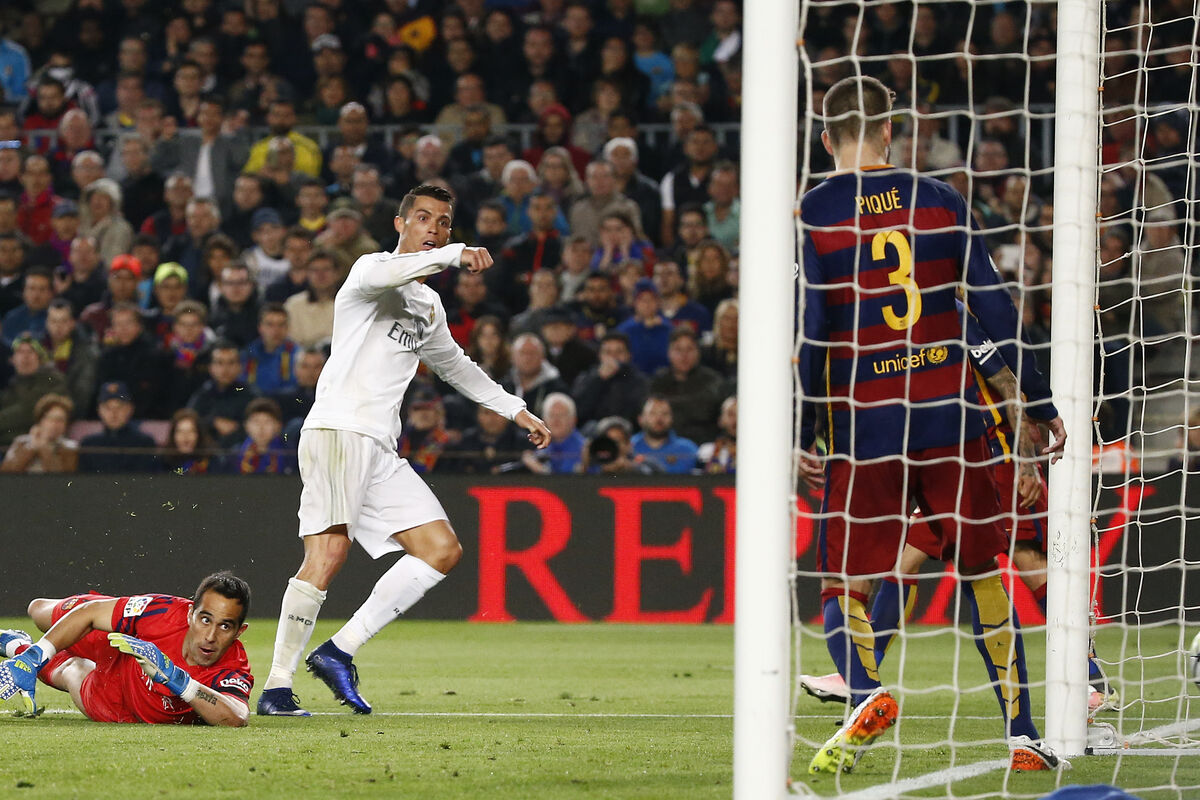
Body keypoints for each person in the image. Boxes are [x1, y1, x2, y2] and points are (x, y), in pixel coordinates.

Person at [797, 76, 1067, 774]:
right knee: (982, 572)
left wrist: (805, 429)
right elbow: (995, 308)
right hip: (953, 418)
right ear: (890, 131)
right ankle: (1023, 736)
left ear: (826, 139)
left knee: (844, 581)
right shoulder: (942, 199)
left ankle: (865, 692)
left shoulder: (814, 212)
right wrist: (1039, 404)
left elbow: (814, 331)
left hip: (865, 424)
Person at [257, 184, 550, 717]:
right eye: (423, 218)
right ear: (400, 224)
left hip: (380, 447)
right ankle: (277, 686)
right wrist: (453, 255)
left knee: (441, 550)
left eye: (444, 222)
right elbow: (395, 272)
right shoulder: (368, 272)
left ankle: (338, 651)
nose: (434, 228)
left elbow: (455, 365)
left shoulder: (428, 305)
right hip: (339, 431)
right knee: (328, 555)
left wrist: (514, 408)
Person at [0, 571, 253, 726]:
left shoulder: (234, 665)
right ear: (190, 614)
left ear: (239, 632)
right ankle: (31, 653)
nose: (210, 636)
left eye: (225, 626)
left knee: (71, 668)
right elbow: (90, 613)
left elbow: (237, 717)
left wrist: (177, 679)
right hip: (118, 643)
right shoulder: (162, 611)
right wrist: (35, 657)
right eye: (205, 620)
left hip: (114, 700)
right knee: (38, 611)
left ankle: (14, 645)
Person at [77, 381, 159, 473]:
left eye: (119, 407)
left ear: (130, 409)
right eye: (107, 407)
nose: (114, 413)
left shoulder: (144, 443)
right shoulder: (89, 444)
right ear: (99, 410)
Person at [0, 393, 78, 474]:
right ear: (40, 421)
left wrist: (43, 447)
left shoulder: (70, 447)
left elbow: (62, 477)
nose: (55, 425)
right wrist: (32, 447)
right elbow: (6, 472)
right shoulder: (21, 442)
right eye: (50, 419)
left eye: (60, 420)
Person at [631, 394, 696, 474]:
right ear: (640, 419)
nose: (659, 419)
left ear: (672, 418)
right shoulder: (630, 447)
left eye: (665, 414)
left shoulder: (688, 449)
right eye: (652, 413)